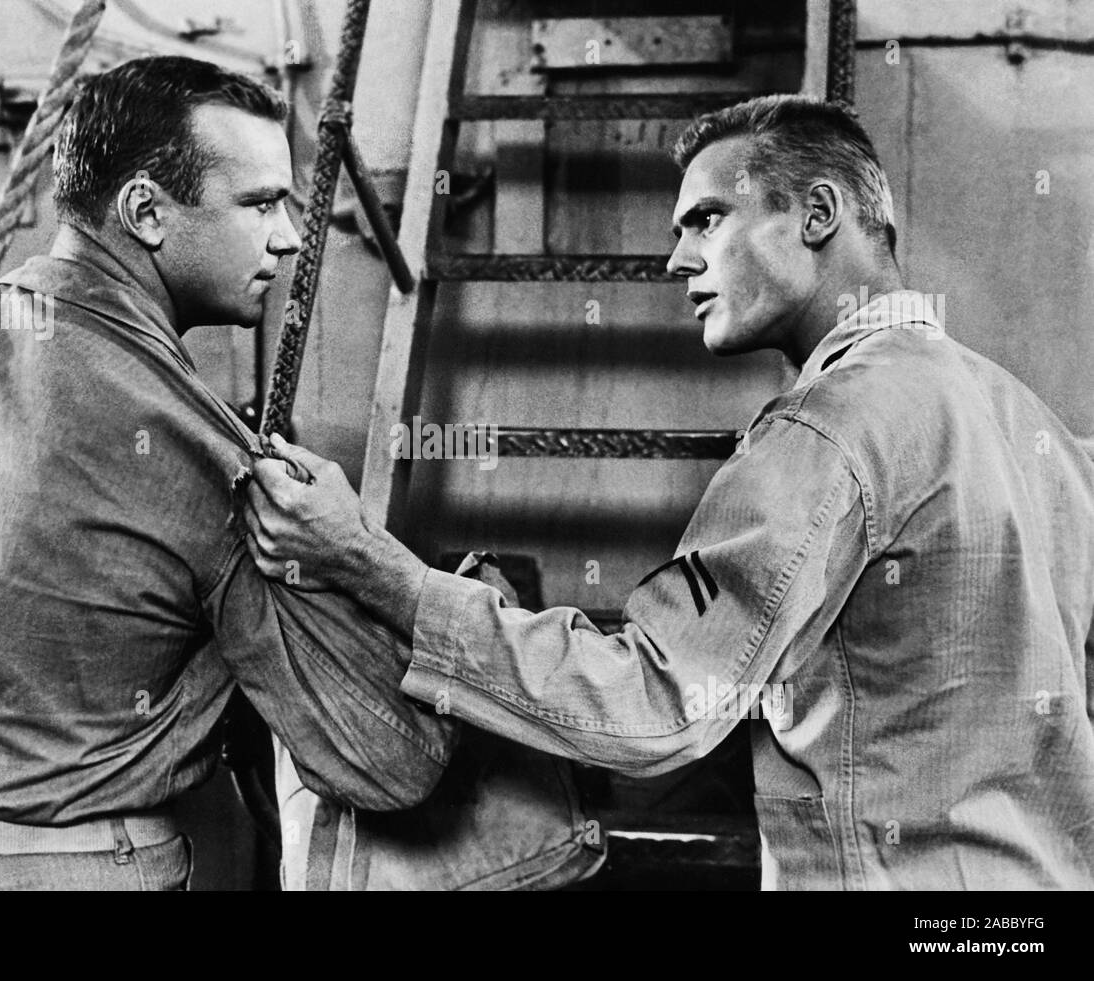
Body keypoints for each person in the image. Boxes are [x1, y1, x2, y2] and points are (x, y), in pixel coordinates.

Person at [245, 95, 1094, 890]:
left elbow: (652, 703)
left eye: (708, 219)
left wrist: (362, 559)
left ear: (818, 215)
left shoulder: (828, 427)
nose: (677, 259)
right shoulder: (1029, 419)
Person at [0, 55, 453, 891]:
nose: (288, 236)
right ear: (144, 210)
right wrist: (392, 579)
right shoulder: (207, 452)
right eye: (259, 203)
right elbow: (381, 761)